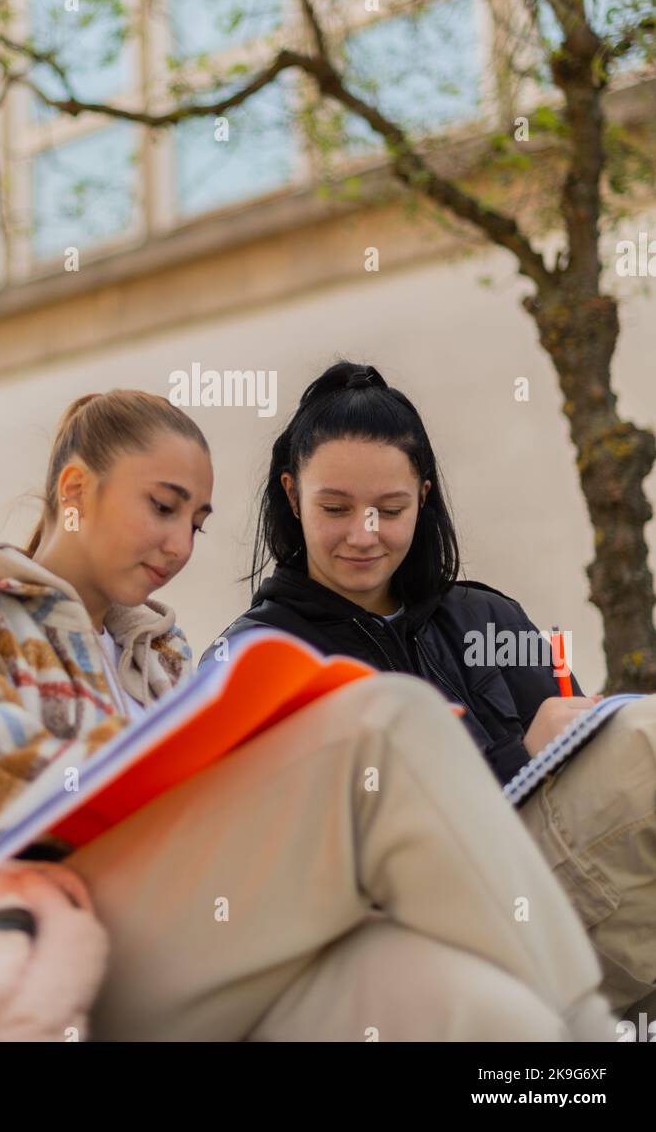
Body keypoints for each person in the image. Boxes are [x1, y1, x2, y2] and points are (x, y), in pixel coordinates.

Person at [0, 388, 615, 1042]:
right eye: (162, 508)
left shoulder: (166, 660)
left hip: (210, 955)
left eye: (199, 522)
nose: (180, 544)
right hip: (52, 952)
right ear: (76, 491)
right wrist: (159, 781)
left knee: (471, 1008)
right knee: (390, 721)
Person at [200, 359, 656, 1026]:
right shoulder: (255, 661)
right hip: (408, 939)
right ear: (291, 494)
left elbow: (598, 815)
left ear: (423, 496)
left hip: (564, 915)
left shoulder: (488, 618)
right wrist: (516, 758)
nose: (364, 533)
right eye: (334, 508)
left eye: (390, 509)